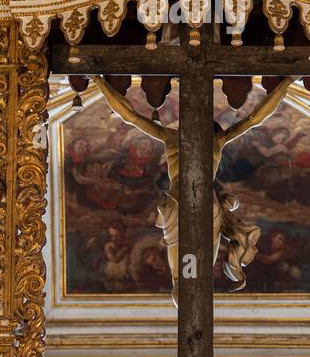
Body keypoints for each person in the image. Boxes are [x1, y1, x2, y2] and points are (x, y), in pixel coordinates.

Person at [93, 76, 296, 297]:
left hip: (181, 204)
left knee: (185, 275)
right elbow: (256, 118)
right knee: (192, 273)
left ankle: (185, 289)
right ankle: (187, 289)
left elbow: (130, 117)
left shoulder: (172, 138)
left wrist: (98, 81)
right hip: (202, 205)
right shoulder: (214, 141)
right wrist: (287, 82)